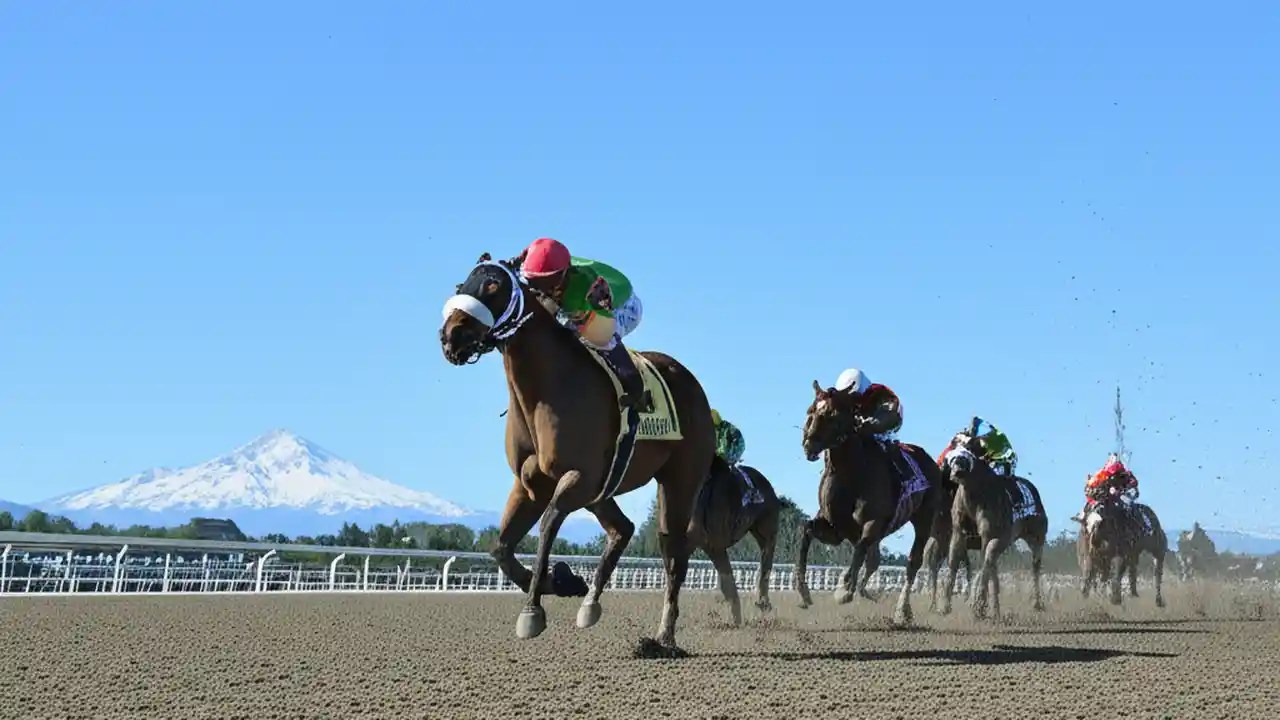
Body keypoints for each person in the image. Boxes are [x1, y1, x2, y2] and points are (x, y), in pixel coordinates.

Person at [517, 237, 651, 411]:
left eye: (547, 283)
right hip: (581, 291)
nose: (541, 288)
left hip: (625, 307)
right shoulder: (527, 268)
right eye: (534, 282)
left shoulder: (585, 290)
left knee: (586, 337)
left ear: (563, 275)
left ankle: (635, 387)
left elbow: (604, 337)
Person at [833, 368, 909, 477]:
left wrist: (868, 423)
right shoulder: (847, 400)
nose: (851, 401)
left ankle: (904, 476)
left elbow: (887, 417)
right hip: (864, 426)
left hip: (887, 426)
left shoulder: (882, 394)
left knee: (885, 445)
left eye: (854, 396)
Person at [712, 409, 761, 505]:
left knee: (736, 469)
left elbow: (740, 443)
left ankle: (751, 491)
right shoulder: (711, 431)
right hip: (718, 455)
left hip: (731, 453)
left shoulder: (729, 429)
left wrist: (730, 455)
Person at [1078, 452, 1139, 520]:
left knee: (1127, 504)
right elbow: (1096, 480)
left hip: (1124, 493)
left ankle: (1136, 520)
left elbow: (1134, 482)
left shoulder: (1125, 474)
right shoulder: (1103, 473)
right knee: (1091, 504)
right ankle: (1082, 516)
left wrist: (1124, 489)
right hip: (1108, 496)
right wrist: (1091, 484)